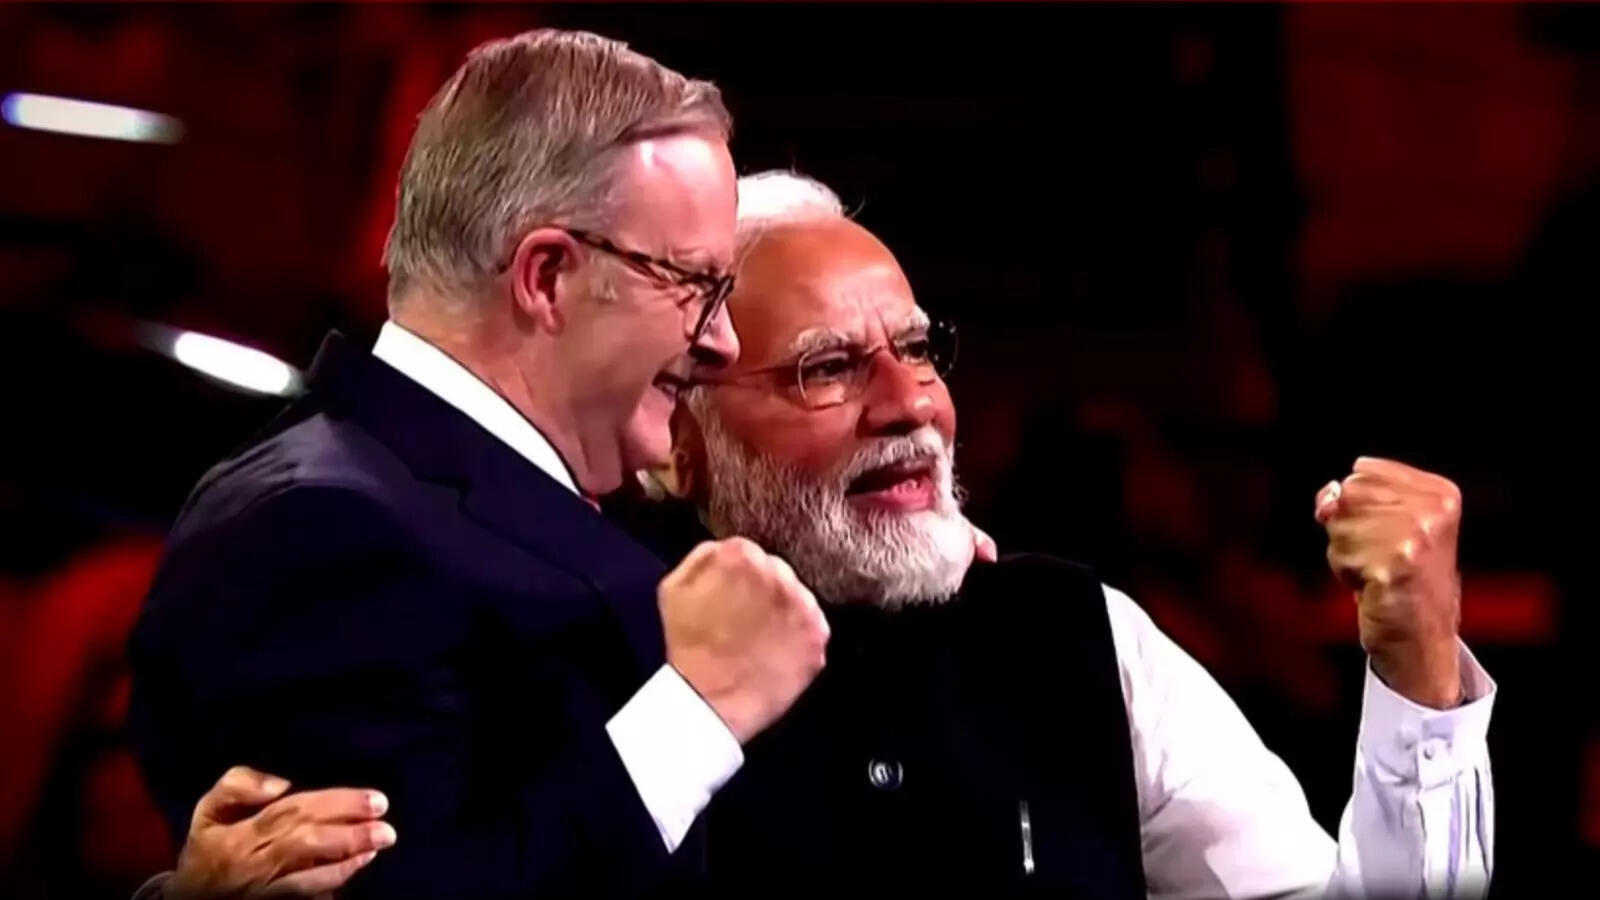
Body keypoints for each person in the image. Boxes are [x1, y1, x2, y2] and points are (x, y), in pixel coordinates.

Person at [165, 171, 1496, 898]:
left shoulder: (1066, 634)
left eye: (919, 351)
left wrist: (1419, 668)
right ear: (679, 433)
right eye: (826, 369)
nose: (912, 403)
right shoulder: (546, 658)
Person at [128, 32, 836, 899]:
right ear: (545, 276)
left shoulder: (502, 500)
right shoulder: (320, 530)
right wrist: (695, 711)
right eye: (695, 286)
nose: (721, 341)